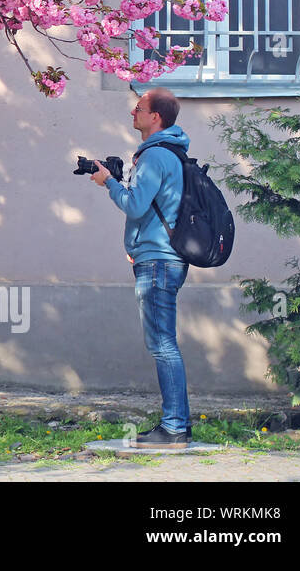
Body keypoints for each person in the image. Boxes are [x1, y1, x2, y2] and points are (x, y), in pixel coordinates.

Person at [89, 87, 192, 448]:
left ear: (156, 117)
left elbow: (134, 206)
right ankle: (176, 424)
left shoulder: (155, 156)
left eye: (139, 108)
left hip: (159, 263)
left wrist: (109, 183)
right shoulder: (172, 153)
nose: (133, 112)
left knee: (163, 344)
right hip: (160, 258)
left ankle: (175, 427)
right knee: (163, 343)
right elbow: (151, 209)